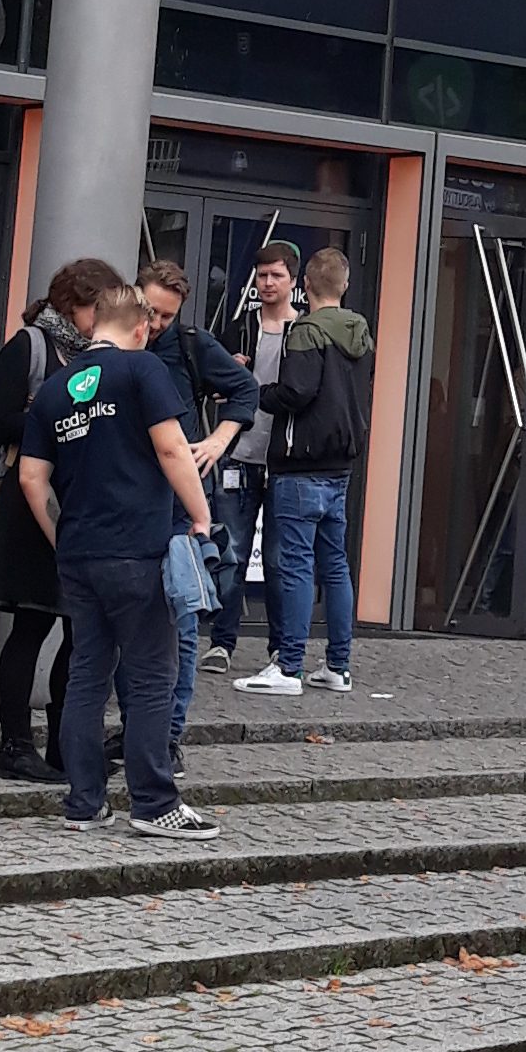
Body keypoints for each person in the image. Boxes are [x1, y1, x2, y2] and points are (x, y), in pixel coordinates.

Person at [15, 275, 215, 831]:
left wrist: (62, 539)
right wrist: (200, 517)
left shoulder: (57, 386)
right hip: (138, 548)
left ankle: (85, 803)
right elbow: (173, 446)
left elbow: (32, 478)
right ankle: (155, 805)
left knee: (87, 675)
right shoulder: (141, 369)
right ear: (141, 326)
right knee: (153, 675)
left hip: (80, 554)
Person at [0, 256, 117, 781]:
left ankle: (66, 743)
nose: (99, 321)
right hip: (31, 503)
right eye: (95, 310)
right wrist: (62, 420)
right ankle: (14, 746)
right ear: (73, 303)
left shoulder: (97, 356)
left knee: (81, 630)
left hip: (81, 501)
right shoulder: (30, 345)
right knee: (32, 625)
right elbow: (1, 422)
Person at [246, 245, 373, 699]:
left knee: (296, 566)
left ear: (303, 286)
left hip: (300, 465)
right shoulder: (359, 331)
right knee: (335, 566)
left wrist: (255, 393)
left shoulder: (305, 331)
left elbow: (297, 393)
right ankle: (338, 666)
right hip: (341, 464)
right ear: (345, 285)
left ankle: (289, 666)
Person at [142, 257, 254, 751]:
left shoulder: (190, 345)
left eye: (167, 315)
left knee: (183, 618)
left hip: (180, 504)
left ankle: (168, 737)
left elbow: (245, 389)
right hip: (132, 499)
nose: (156, 324)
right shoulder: (120, 342)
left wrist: (218, 439)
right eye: (150, 311)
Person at [202, 241, 302, 668]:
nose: (267, 283)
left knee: (280, 558)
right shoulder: (239, 328)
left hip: (284, 458)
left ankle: (279, 647)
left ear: (293, 281)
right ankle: (222, 642)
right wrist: (230, 373)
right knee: (232, 551)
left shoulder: (306, 332)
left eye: (276, 275)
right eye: (262, 276)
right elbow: (211, 387)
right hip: (238, 453)